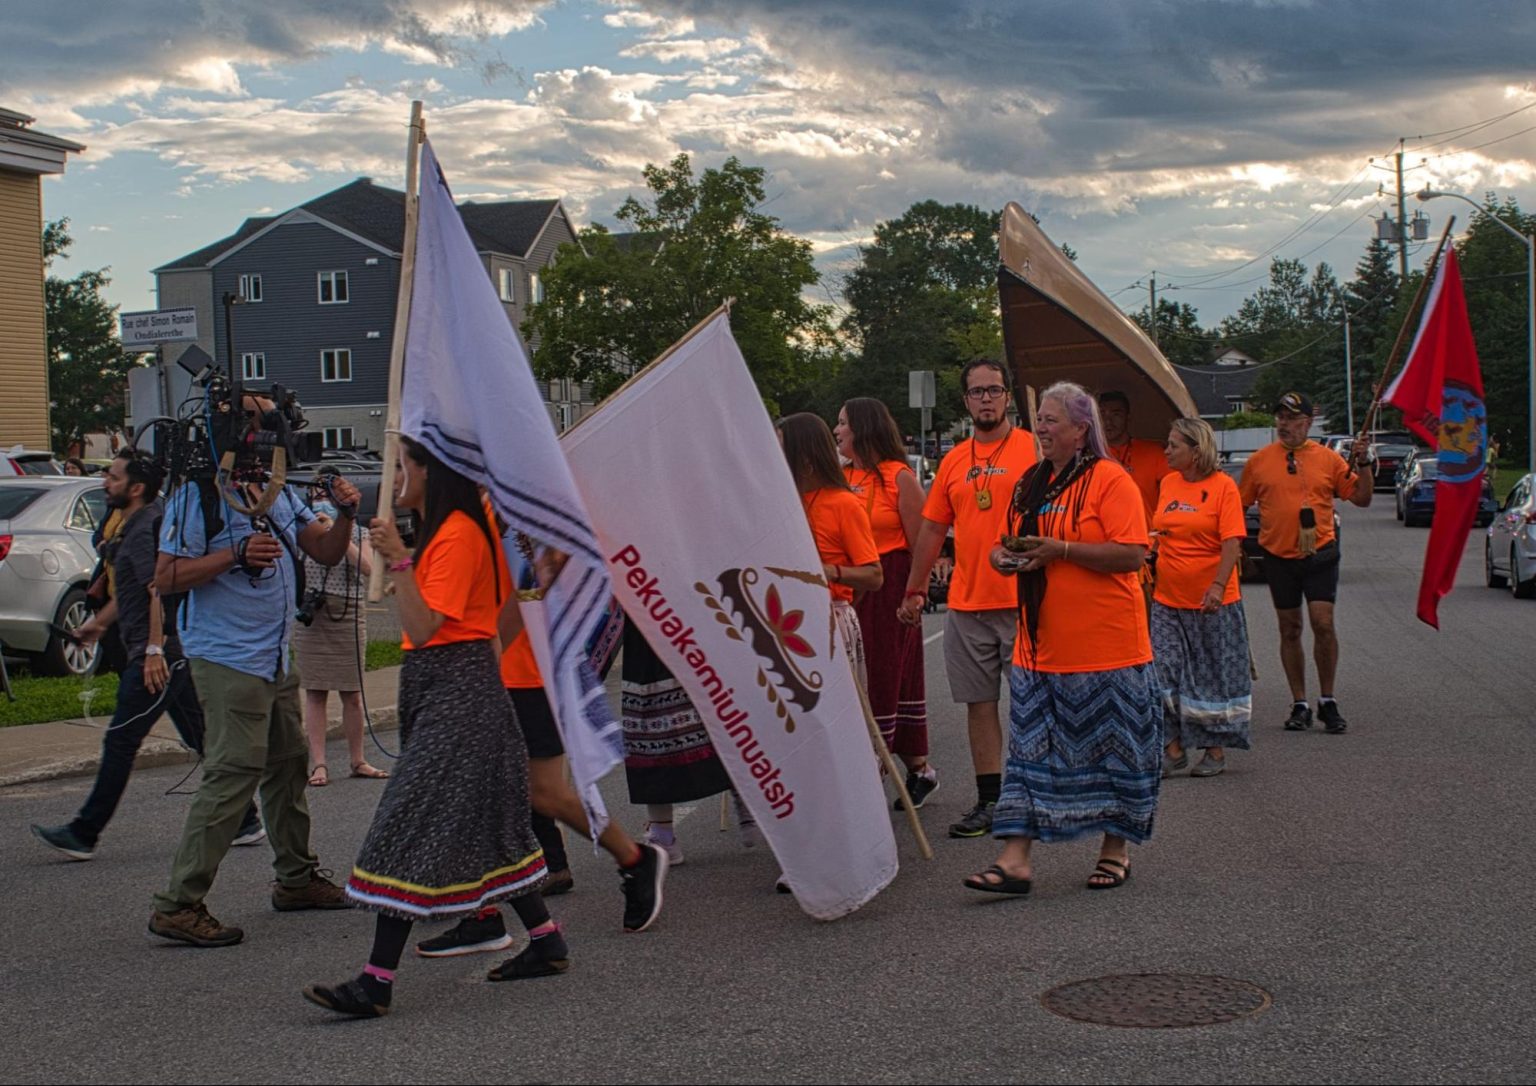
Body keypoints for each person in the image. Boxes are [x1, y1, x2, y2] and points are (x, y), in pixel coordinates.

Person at [303, 438, 565, 1018]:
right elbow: (493, 616)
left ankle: (376, 981)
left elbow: (422, 629)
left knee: (404, 824)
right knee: (495, 826)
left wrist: (397, 557)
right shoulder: (457, 531)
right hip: (459, 686)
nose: (396, 476)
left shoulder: (457, 536)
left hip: (456, 689)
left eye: (404, 465)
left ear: (431, 472)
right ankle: (546, 940)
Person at [148, 397, 361, 948]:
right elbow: (166, 576)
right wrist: (235, 554)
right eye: (263, 427)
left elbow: (325, 551)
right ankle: (179, 903)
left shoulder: (276, 493)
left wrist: (345, 516)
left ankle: (296, 878)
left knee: (288, 765)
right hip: (226, 656)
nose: (272, 439)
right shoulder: (199, 498)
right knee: (232, 773)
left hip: (272, 654)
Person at [413, 540, 668, 957]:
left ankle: (634, 859)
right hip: (498, 667)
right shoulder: (476, 510)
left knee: (544, 793)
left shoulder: (500, 504)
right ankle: (485, 913)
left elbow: (533, 576)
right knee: (485, 793)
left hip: (521, 672)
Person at [963, 381, 1159, 896]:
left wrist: (1063, 550)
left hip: (1108, 649)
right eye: (1040, 420)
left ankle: (1115, 851)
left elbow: (1132, 555)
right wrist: (1003, 559)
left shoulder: (1110, 480)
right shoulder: (1031, 482)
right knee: (1028, 757)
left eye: (1051, 421)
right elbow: (1009, 543)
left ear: (1080, 429)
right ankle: (1014, 860)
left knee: (1117, 753)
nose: (1041, 429)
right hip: (1039, 648)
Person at [30, 451, 262, 860]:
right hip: (168, 651)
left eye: (113, 477)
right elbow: (135, 589)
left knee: (121, 740)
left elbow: (158, 587)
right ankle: (246, 820)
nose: (105, 482)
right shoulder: (142, 521)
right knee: (202, 736)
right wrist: (99, 623)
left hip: (158, 654)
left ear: (135, 488)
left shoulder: (145, 529)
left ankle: (85, 832)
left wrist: (154, 649)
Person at [897, 359, 1038, 838]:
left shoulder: (1033, 449)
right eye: (976, 392)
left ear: (1008, 397)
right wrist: (916, 589)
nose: (985, 399)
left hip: (1024, 601)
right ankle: (991, 799)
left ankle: (1032, 795)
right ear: (966, 401)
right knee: (979, 705)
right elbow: (934, 527)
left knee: (1031, 704)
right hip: (968, 602)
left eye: (994, 390)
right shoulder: (956, 459)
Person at [1239, 392, 1372, 734]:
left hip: (1320, 553)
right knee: (1290, 627)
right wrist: (1236, 547)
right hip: (1279, 556)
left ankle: (1327, 699)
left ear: (1308, 423)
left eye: (1292, 419)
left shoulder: (1327, 459)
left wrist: (1365, 463)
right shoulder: (1260, 461)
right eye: (1280, 418)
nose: (1284, 425)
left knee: (1322, 623)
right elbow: (1239, 505)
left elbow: (1361, 497)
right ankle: (1299, 702)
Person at [835, 397, 938, 808]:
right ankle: (917, 769)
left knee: (886, 676)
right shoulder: (839, 478)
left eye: (842, 423)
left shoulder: (900, 479)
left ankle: (876, 772)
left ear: (863, 428)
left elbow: (921, 545)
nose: (837, 430)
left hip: (889, 586)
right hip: (848, 589)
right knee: (854, 679)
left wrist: (915, 594)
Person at [1150, 419, 1252, 778]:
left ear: (1196, 450)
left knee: (1209, 675)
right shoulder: (1168, 484)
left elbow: (1232, 543)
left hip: (1212, 602)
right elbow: (1162, 530)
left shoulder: (1223, 487)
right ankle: (1172, 748)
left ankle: (1214, 750)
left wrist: (1218, 586)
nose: (1166, 451)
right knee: (1161, 670)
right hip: (1166, 600)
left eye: (1173, 445)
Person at [294, 472, 386, 786]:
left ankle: (358, 759)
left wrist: (335, 534)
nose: (322, 500)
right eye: (317, 494)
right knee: (315, 692)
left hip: (348, 611)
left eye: (328, 494)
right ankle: (318, 763)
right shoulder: (301, 530)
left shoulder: (358, 533)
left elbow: (370, 569)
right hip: (313, 614)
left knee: (352, 694)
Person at [779, 413, 883, 685]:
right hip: (788, 623)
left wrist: (830, 572)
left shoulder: (844, 504)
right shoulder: (783, 504)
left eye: (781, 451)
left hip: (830, 623)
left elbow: (874, 576)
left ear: (805, 460)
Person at [1098, 390, 1172, 521]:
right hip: (1103, 539)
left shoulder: (1153, 452)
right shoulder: (1089, 457)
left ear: (1128, 417)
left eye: (1116, 414)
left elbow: (1177, 495)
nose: (1108, 421)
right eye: (1102, 414)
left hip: (1146, 538)